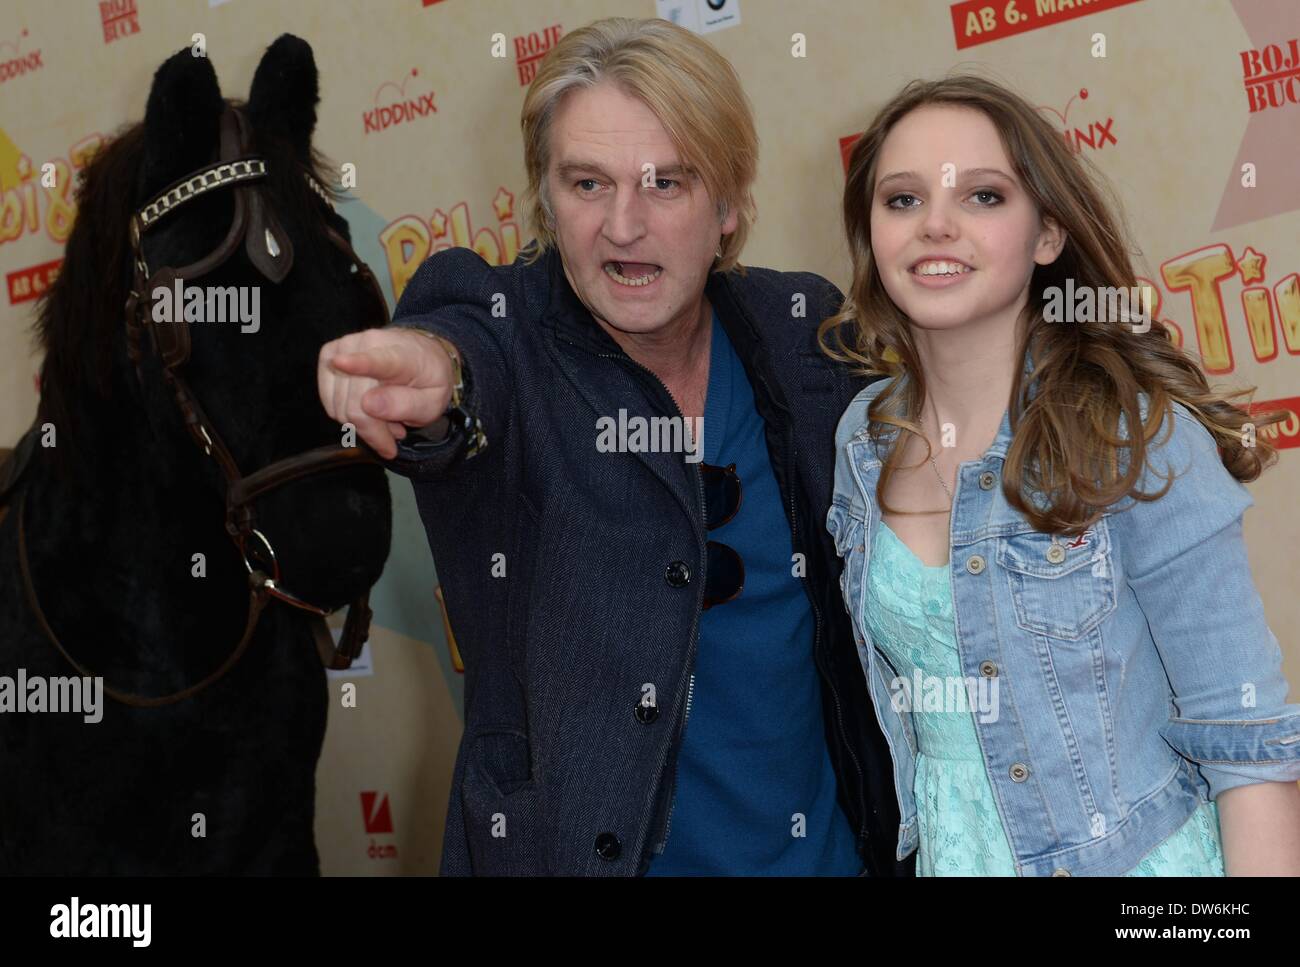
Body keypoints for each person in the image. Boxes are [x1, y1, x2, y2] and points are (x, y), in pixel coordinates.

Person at [317, 17, 909, 876]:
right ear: (547, 200)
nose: (623, 226)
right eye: (587, 182)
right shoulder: (506, 334)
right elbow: (460, 352)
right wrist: (437, 375)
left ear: (731, 204)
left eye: (667, 182)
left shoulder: (803, 332)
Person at [822, 74, 1300, 876]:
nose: (935, 225)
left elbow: (1245, 740)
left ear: (1047, 235)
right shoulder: (862, 438)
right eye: (901, 200)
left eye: (981, 196)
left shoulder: (1134, 431)